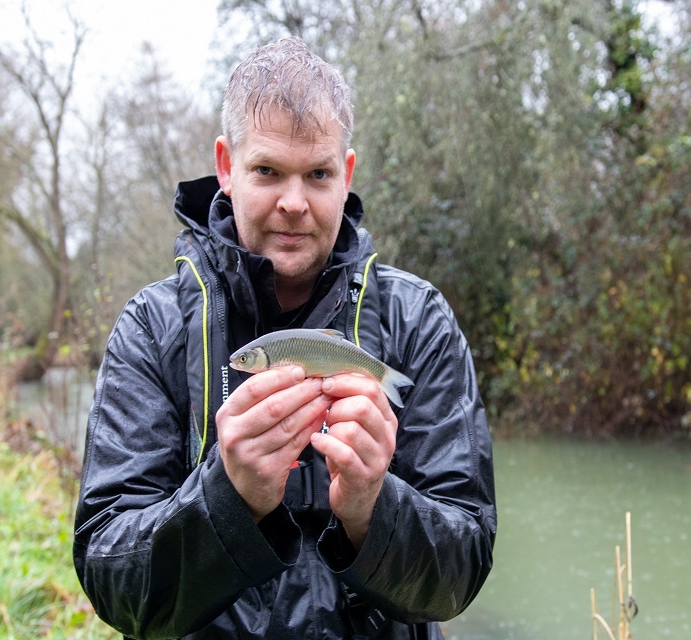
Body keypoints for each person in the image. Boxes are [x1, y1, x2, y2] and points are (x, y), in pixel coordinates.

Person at [73, 36, 496, 639]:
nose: (294, 203)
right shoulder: (150, 329)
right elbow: (115, 583)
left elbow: (462, 571)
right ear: (226, 167)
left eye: (318, 174)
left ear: (345, 175)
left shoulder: (420, 320)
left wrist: (372, 508)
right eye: (267, 171)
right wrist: (229, 498)